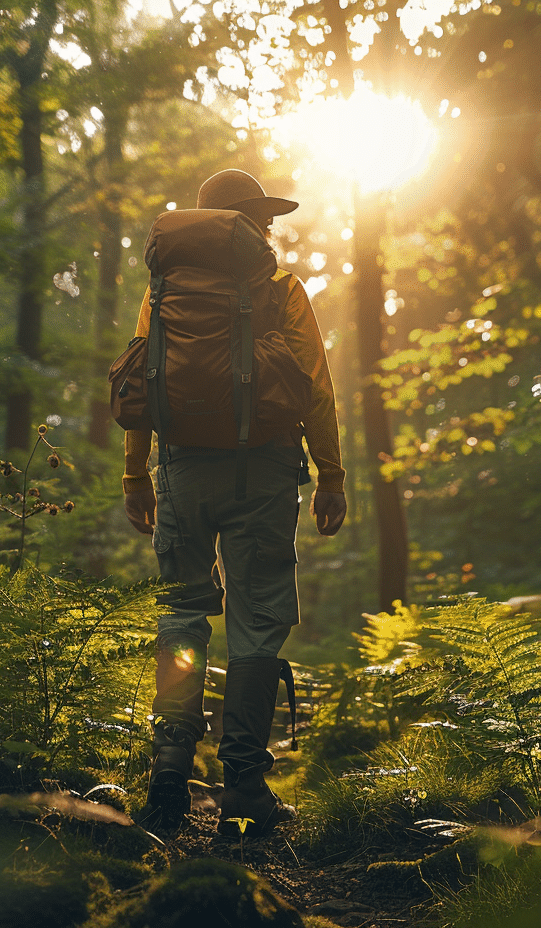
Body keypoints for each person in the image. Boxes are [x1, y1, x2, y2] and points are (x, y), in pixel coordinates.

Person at [121, 169, 347, 838]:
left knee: (182, 611)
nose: (270, 228)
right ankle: (245, 785)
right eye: (262, 217)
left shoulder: (160, 293)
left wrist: (137, 476)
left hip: (182, 470)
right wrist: (330, 473)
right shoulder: (278, 288)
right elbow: (316, 388)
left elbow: (143, 382)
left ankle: (169, 771)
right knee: (256, 619)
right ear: (249, 223)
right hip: (263, 470)